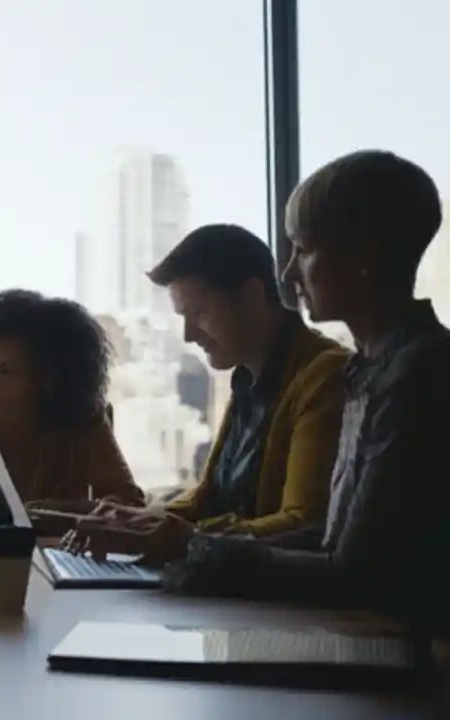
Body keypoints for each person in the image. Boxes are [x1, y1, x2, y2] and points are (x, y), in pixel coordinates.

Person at [95, 150, 450, 627]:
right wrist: (165, 532)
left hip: (405, 664)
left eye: (303, 251)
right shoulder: (375, 367)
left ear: (363, 257)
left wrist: (191, 546)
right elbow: (330, 540)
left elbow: (357, 576)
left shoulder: (416, 375)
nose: (287, 274)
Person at [65, 224, 349, 562]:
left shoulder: (323, 375)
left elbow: (304, 523)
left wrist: (189, 537)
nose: (187, 335)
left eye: (198, 313)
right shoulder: (246, 376)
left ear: (251, 297)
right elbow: (209, 497)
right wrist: (142, 518)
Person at [0, 290, 144, 522]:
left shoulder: (84, 418)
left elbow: (128, 501)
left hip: (59, 551)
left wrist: (54, 512)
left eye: (8, 371)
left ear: (47, 378)